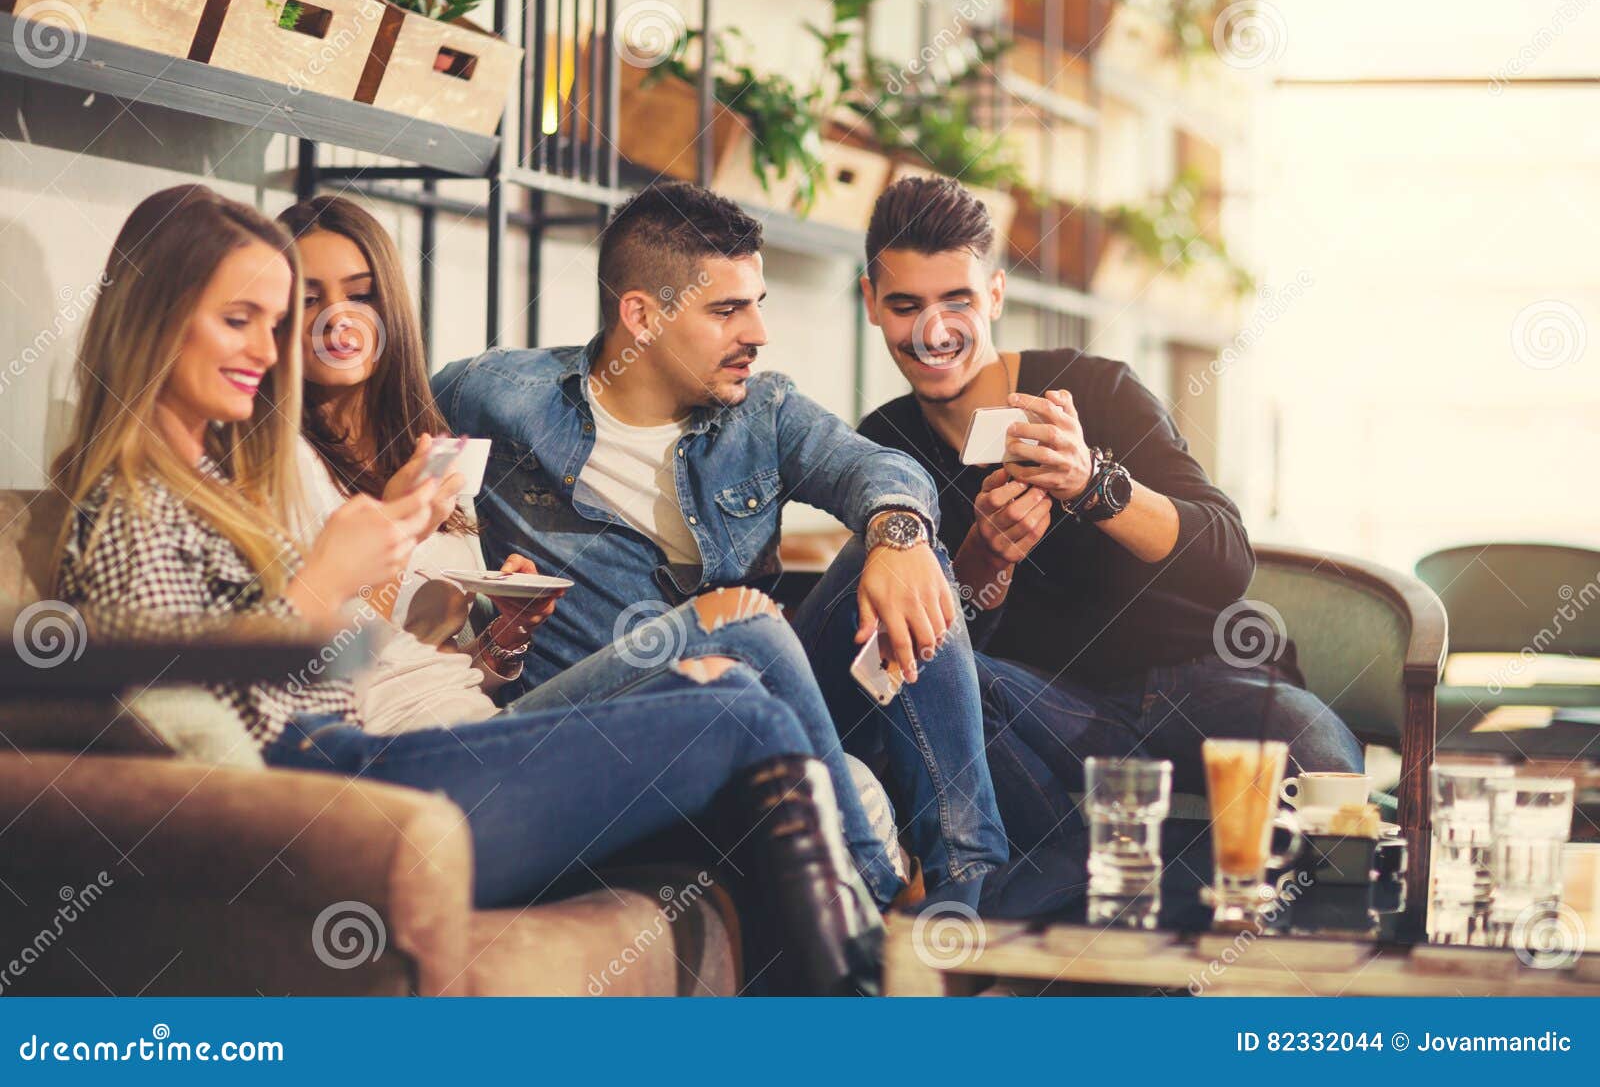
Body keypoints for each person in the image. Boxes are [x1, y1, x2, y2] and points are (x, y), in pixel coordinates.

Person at [50, 184, 885, 994]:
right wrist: (325, 584)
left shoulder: (211, 485)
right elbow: (181, 732)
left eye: (271, 325)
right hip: (328, 784)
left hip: (364, 755)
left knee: (735, 714)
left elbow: (310, 669)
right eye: (242, 321)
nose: (270, 353)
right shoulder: (127, 505)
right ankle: (871, 992)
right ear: (154, 317)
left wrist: (455, 620)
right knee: (739, 704)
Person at [433, 182, 1008, 906]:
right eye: (727, 309)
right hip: (614, 724)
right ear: (641, 315)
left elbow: (876, 468)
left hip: (765, 700)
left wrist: (899, 532)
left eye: (758, 302)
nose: (758, 333)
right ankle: (885, 894)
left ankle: (972, 894)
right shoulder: (495, 397)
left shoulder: (763, 412)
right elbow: (370, 453)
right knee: (742, 621)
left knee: (902, 547)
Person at [854, 175, 1364, 850]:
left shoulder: (1095, 388)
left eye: (959, 301)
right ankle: (1060, 900)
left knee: (1320, 766)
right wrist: (987, 559)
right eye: (904, 304)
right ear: (869, 302)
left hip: (1206, 680)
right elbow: (931, 643)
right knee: (927, 685)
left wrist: (1093, 482)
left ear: (996, 294)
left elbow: (1226, 560)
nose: (934, 330)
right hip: (1051, 705)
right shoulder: (884, 445)